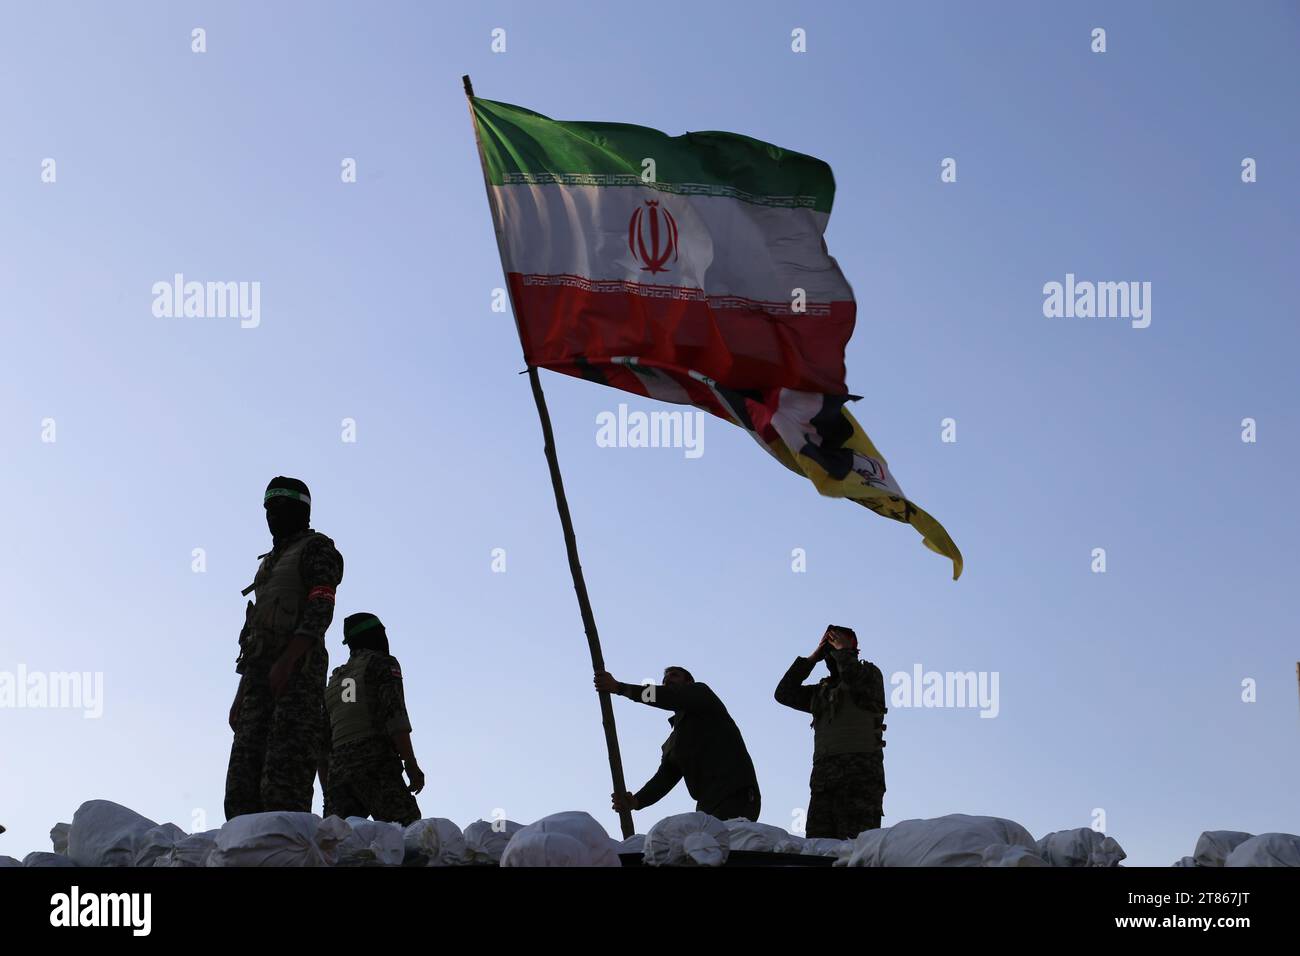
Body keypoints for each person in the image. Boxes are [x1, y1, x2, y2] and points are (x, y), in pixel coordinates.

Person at [224, 477, 342, 819]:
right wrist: (241, 692)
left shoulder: (317, 549)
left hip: (298, 677)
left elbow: (322, 606)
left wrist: (289, 660)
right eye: (267, 509)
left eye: (279, 508)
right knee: (241, 786)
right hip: (259, 678)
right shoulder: (269, 564)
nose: (271, 516)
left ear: (300, 511)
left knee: (284, 780)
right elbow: (254, 632)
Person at [594, 665, 760, 821]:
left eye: (674, 675)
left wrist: (621, 688)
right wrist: (636, 801)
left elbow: (669, 695)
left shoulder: (702, 695)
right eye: (664, 679)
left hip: (736, 792)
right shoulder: (674, 743)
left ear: (689, 683)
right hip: (707, 805)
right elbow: (665, 777)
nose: (667, 680)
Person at [775, 625, 887, 839]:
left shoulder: (869, 676)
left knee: (855, 852)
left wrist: (844, 650)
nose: (833, 649)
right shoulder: (821, 691)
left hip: (860, 782)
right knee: (818, 853)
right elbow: (784, 693)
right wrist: (811, 659)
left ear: (853, 649)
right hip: (823, 784)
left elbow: (855, 679)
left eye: (838, 642)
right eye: (830, 644)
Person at [321, 613, 424, 825]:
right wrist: (411, 764)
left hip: (338, 772)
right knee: (408, 833)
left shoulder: (335, 681)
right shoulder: (381, 663)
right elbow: (395, 716)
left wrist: (329, 790)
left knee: (336, 843)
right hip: (375, 763)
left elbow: (321, 743)